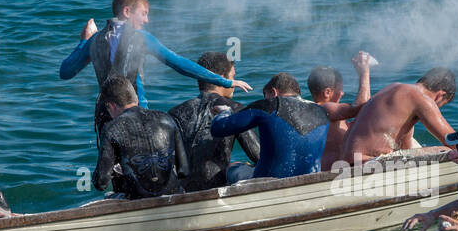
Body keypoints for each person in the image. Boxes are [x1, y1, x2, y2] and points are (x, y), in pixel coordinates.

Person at [59, 0, 253, 132]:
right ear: (127, 12)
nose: (146, 20)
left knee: (115, 170)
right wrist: (225, 81)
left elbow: (65, 72)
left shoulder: (95, 40)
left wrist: (83, 43)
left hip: (106, 117)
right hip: (137, 115)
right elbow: (181, 64)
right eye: (143, 14)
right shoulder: (141, 38)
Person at [167, 52, 260, 192]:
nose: (234, 83)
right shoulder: (234, 109)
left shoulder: (175, 112)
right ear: (222, 78)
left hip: (183, 191)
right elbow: (258, 155)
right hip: (217, 190)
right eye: (233, 76)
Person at [210, 72, 330, 180]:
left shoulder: (270, 104)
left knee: (233, 167)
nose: (265, 99)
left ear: (273, 92)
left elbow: (218, 128)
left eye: (266, 95)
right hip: (310, 180)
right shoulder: (321, 112)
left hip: (268, 183)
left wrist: (226, 112)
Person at [93, 78, 191, 198]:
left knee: (108, 196)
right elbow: (184, 171)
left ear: (110, 106)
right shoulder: (167, 119)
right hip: (174, 195)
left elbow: (101, 182)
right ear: (137, 99)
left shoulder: (111, 128)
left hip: (137, 200)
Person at [338, 67, 457, 161]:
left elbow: (406, 148)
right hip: (365, 163)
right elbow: (453, 141)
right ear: (440, 95)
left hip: (347, 162)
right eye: (440, 105)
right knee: (446, 150)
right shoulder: (421, 99)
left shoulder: (394, 88)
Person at [309, 52, 372, 171]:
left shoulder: (328, 113)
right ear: (327, 92)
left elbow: (365, 108)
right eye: (340, 90)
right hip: (331, 174)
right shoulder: (324, 108)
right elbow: (359, 107)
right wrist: (364, 73)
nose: (342, 93)